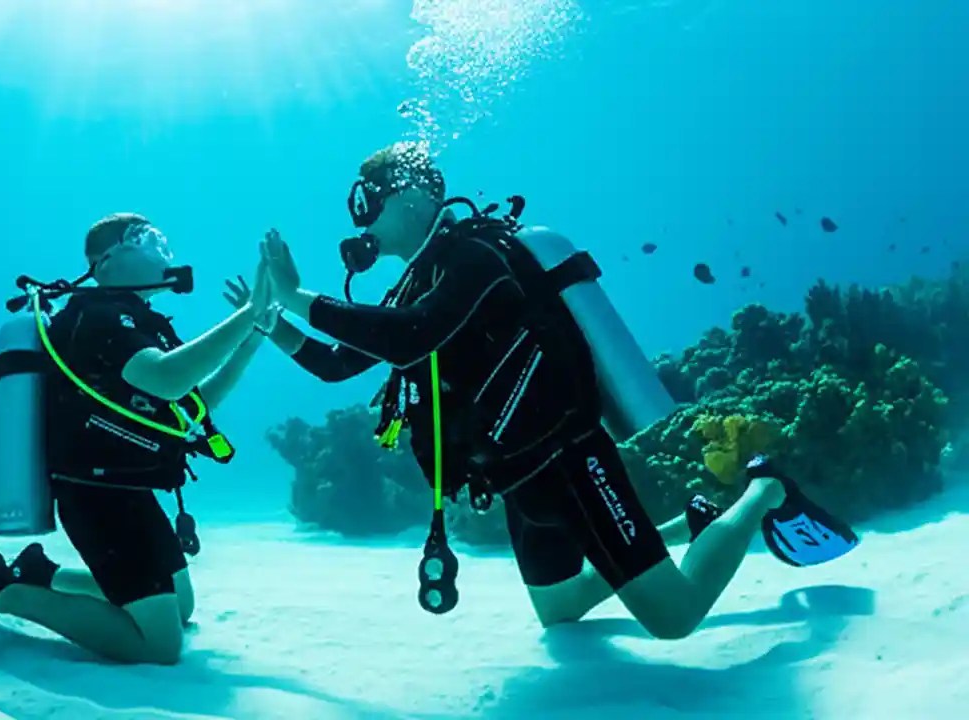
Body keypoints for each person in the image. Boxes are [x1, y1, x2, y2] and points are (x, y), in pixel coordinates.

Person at [249, 141, 856, 638]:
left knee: (674, 617)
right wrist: (272, 321)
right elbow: (336, 365)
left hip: (567, 462)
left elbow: (414, 338)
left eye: (368, 202)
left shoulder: (477, 255)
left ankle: (763, 489)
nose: (362, 220)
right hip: (512, 479)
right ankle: (685, 526)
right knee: (560, 610)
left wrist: (300, 295)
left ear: (410, 197)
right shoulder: (415, 284)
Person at [0, 213, 276, 663]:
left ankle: (42, 572)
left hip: (127, 489)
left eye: (161, 239)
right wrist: (248, 314)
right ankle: (2, 591)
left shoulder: (138, 322)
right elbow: (167, 378)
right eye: (144, 239)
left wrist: (251, 339)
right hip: (96, 496)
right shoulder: (100, 317)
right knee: (160, 646)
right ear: (105, 263)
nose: (162, 250)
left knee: (181, 608)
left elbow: (193, 406)